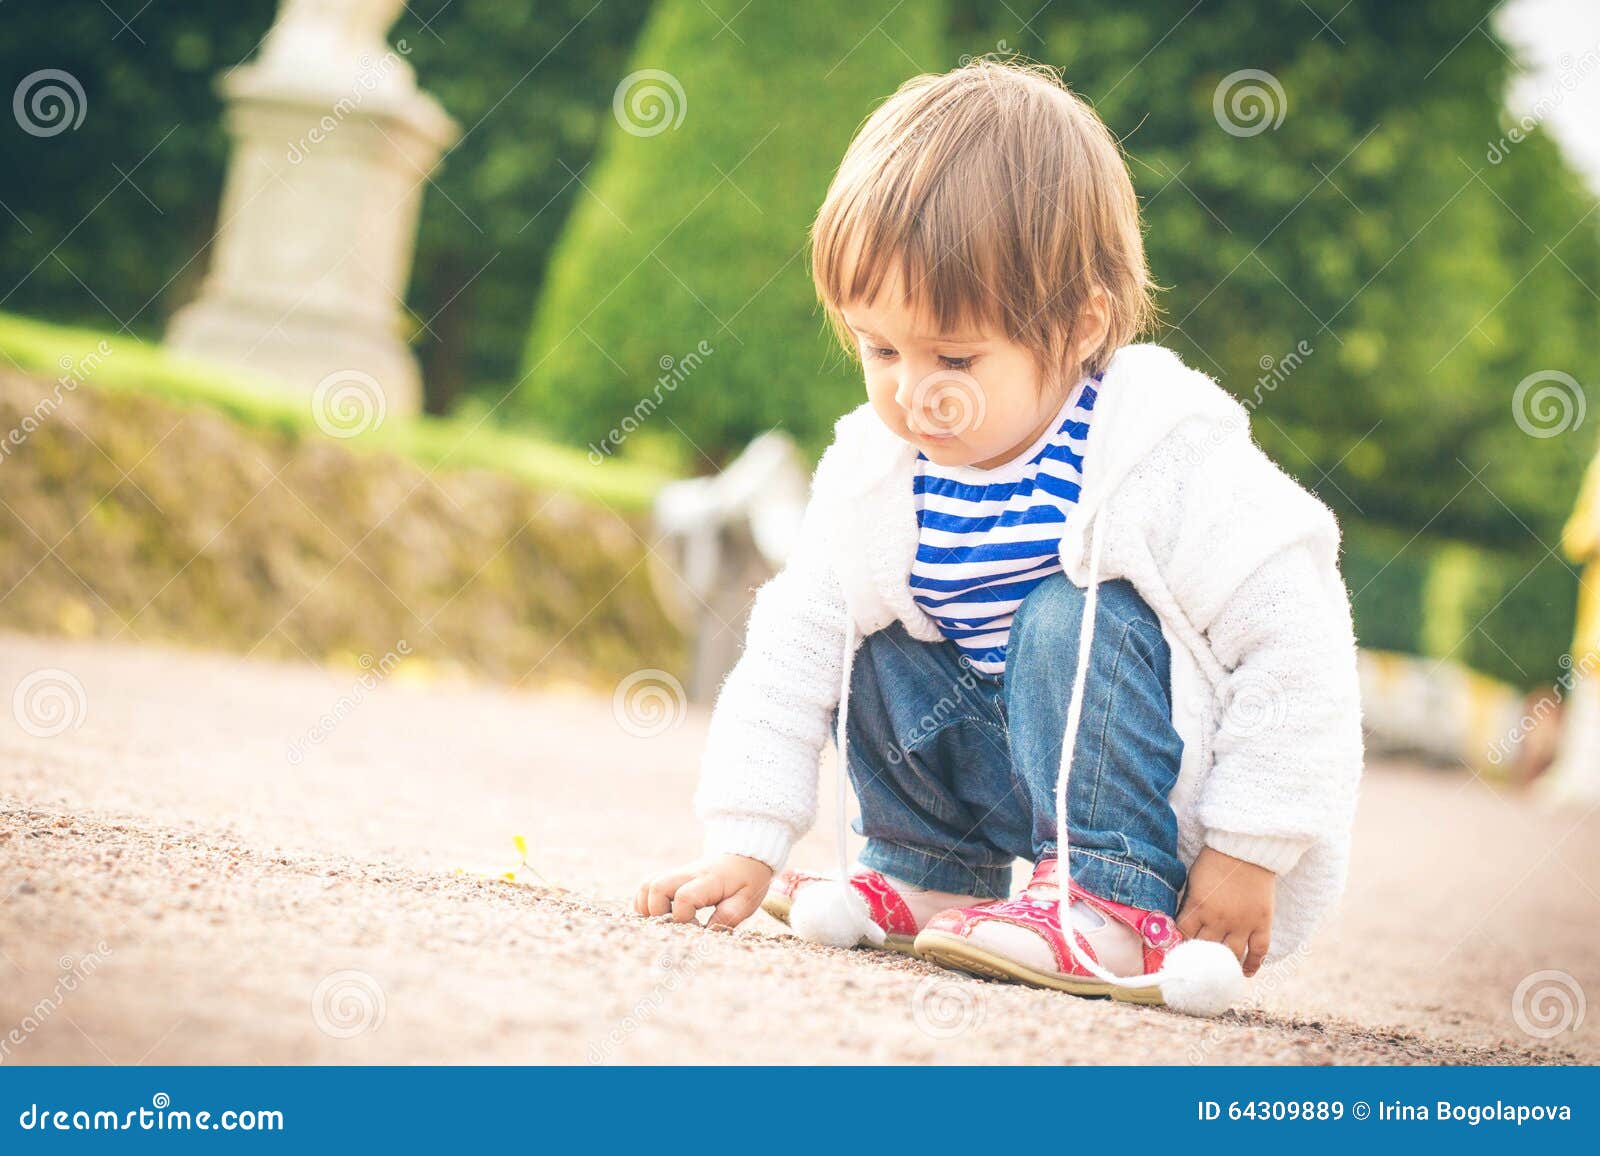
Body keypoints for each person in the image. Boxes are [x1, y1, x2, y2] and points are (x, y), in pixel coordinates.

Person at [634, 59, 1363, 1005]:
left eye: (956, 355)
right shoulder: (877, 474)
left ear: (1076, 323)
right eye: (879, 348)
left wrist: (1249, 847)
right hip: (994, 766)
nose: (910, 389)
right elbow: (789, 653)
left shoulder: (1152, 451)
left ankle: (1109, 898)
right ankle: (927, 870)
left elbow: (1296, 633)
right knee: (874, 630)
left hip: (1136, 790)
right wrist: (743, 841)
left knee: (1067, 611)